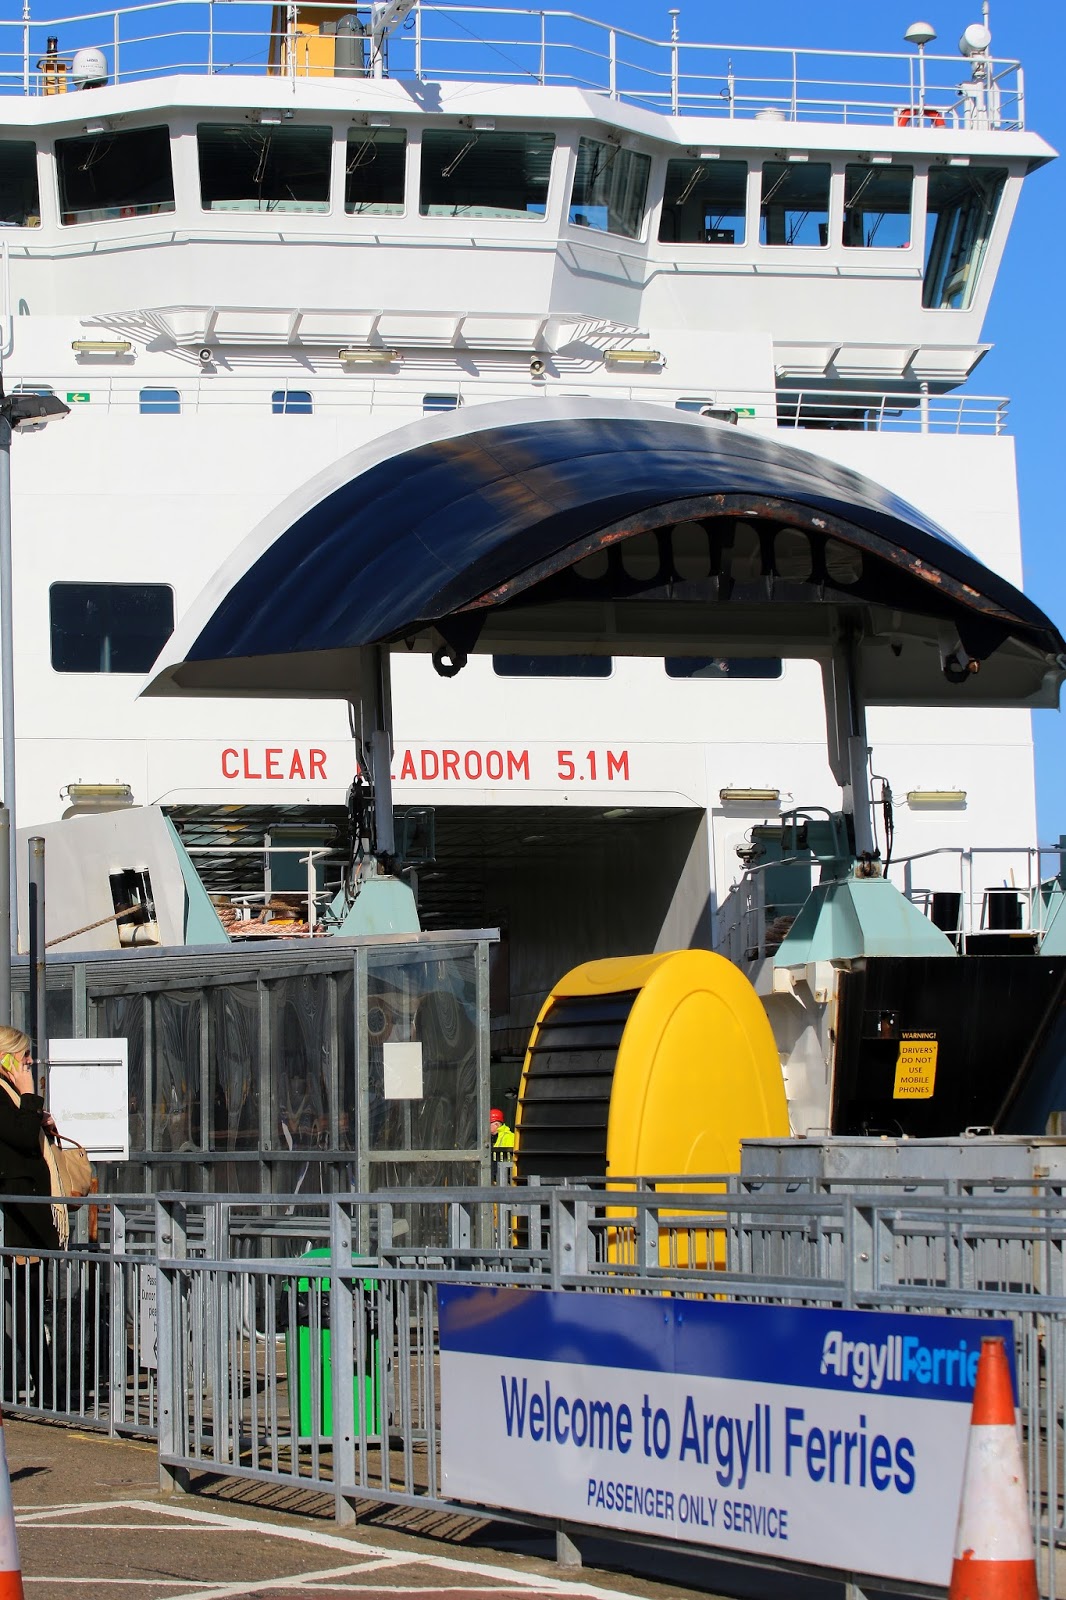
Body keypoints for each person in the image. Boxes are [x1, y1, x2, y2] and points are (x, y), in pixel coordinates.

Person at [0, 1026, 62, 1407]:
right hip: (16, 1215)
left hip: (32, 1211)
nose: (28, 1063)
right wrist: (27, 1094)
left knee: (33, 1299)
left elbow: (32, 1140)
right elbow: (19, 1139)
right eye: (22, 1056)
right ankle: (47, 1384)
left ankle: (48, 1384)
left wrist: (46, 1126)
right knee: (24, 1301)